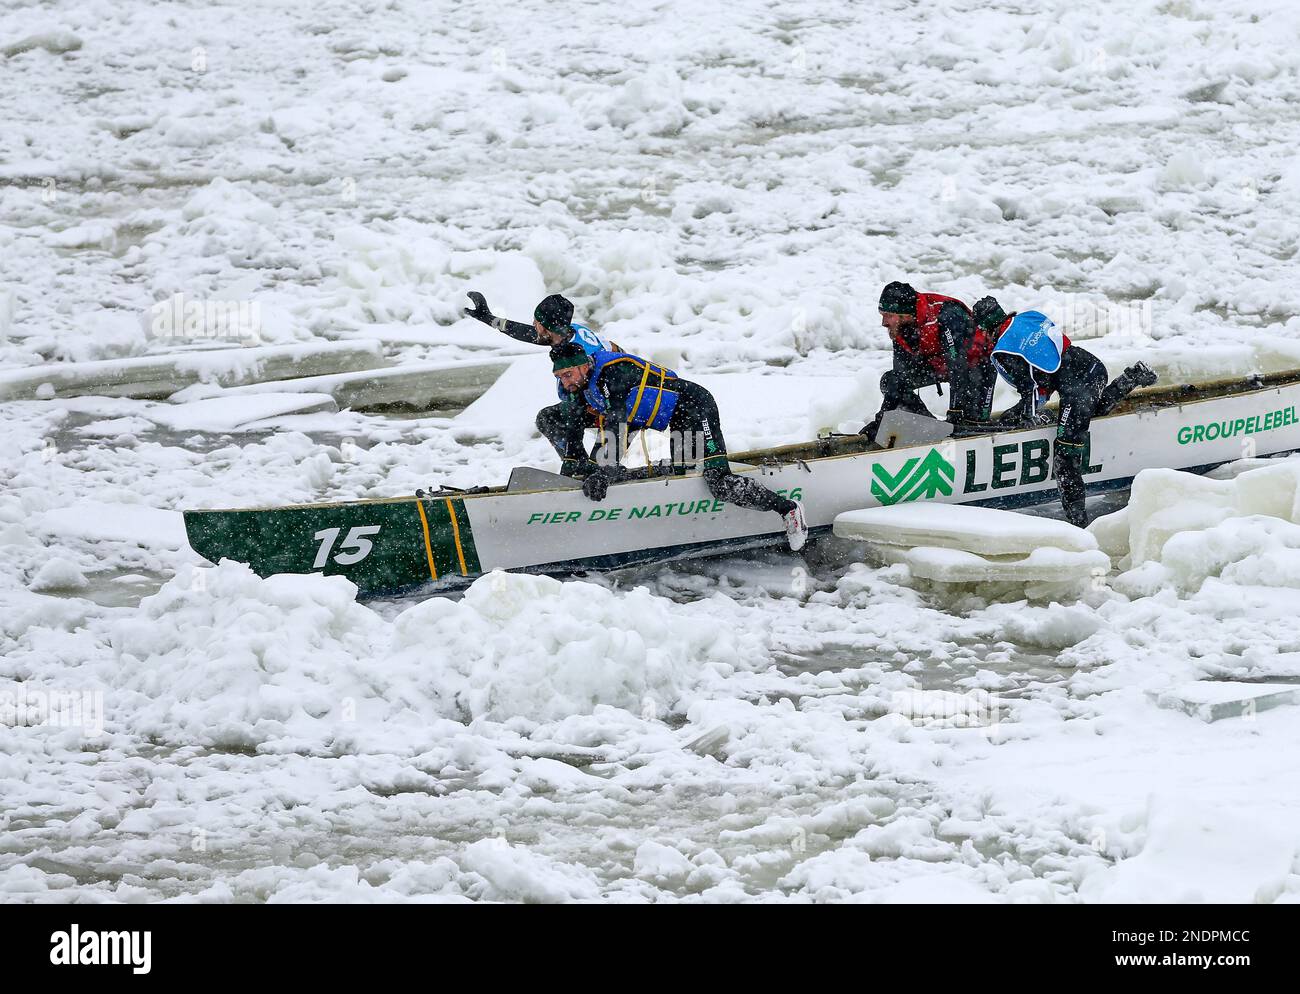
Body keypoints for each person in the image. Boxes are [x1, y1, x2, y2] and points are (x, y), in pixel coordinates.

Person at [548, 342, 809, 551]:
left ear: (584, 366)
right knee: (678, 477)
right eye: (560, 377)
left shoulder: (614, 375)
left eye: (568, 374)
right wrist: (580, 471)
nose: (566, 382)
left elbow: (617, 424)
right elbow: (586, 429)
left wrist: (603, 471)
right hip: (668, 417)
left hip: (694, 407)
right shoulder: (580, 386)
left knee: (717, 481)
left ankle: (788, 510)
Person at [986, 305, 1158, 526]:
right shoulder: (1026, 319)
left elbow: (1034, 391)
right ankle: (1131, 377)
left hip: (1078, 386)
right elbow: (1046, 374)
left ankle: (1078, 524)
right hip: (1092, 366)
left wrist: (1021, 415)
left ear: (988, 330)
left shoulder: (1006, 348)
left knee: (1065, 456)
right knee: (1091, 412)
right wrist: (1025, 410)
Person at [464, 290, 619, 477]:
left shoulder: (579, 357)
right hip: (599, 403)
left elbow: (576, 413)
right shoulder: (569, 333)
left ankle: (590, 471)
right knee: (549, 418)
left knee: (595, 467)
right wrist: (488, 318)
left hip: (617, 411)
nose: (533, 325)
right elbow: (522, 332)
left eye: (536, 322)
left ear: (547, 329)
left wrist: (574, 459)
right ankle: (584, 469)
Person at [861, 281, 997, 441]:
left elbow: (958, 367)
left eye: (888, 316)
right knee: (891, 381)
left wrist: (955, 412)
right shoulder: (900, 327)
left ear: (905, 314)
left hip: (977, 367)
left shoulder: (946, 314)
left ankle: (972, 425)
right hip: (941, 366)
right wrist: (881, 421)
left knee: (972, 427)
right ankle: (931, 426)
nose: (884, 323)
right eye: (882, 315)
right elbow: (899, 377)